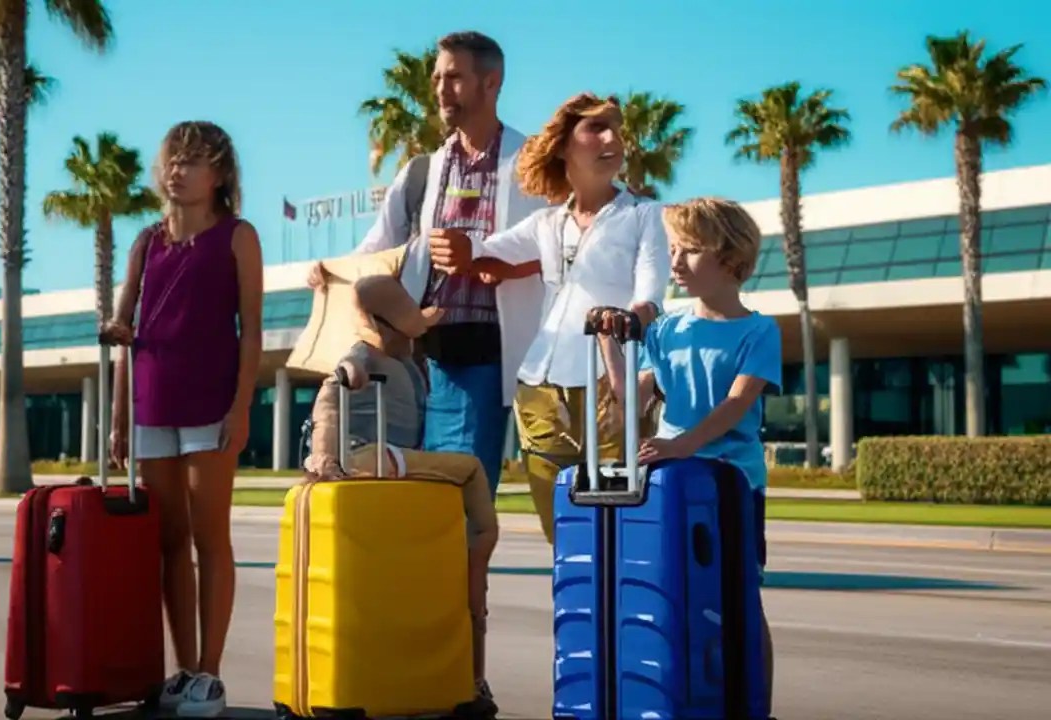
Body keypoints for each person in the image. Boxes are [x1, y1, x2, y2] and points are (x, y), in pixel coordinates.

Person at [307, 30, 548, 498]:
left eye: (455, 77)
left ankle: (468, 571)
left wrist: (481, 254)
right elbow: (378, 251)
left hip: (502, 353)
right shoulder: (425, 171)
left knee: (462, 498)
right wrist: (330, 270)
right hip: (427, 360)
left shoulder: (532, 164)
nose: (440, 88)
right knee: (437, 502)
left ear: (491, 83)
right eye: (438, 76)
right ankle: (461, 573)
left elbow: (558, 246)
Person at [428, 92, 671, 543]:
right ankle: (576, 608)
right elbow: (487, 250)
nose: (611, 138)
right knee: (560, 530)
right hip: (539, 387)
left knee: (621, 526)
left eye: (616, 128)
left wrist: (630, 317)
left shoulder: (643, 215)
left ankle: (617, 609)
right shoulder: (547, 224)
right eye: (595, 128)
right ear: (563, 146)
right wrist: (459, 245)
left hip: (612, 387)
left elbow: (651, 294)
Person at [102, 120, 263, 718]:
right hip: (152, 403)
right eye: (173, 159)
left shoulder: (238, 237)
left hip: (210, 403)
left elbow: (252, 332)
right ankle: (183, 669)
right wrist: (119, 415)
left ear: (219, 175)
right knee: (169, 541)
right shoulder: (146, 241)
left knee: (208, 537)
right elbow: (127, 331)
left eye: (193, 161)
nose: (177, 170)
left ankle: (212, 676)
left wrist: (241, 406)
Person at [592, 196, 779, 711]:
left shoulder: (758, 330)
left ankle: (754, 705)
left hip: (732, 483)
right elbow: (633, 398)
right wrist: (611, 345)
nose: (675, 261)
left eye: (690, 250)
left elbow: (737, 404)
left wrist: (683, 445)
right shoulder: (668, 329)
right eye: (674, 249)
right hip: (674, 483)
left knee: (740, 597)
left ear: (731, 261)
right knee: (676, 591)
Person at [303, 274, 501, 715]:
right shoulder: (362, 354)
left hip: (396, 466)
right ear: (381, 325)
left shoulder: (409, 365)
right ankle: (483, 536)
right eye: (408, 331)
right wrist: (323, 453)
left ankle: (468, 680)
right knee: (468, 470)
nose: (414, 342)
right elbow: (333, 394)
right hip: (369, 460)